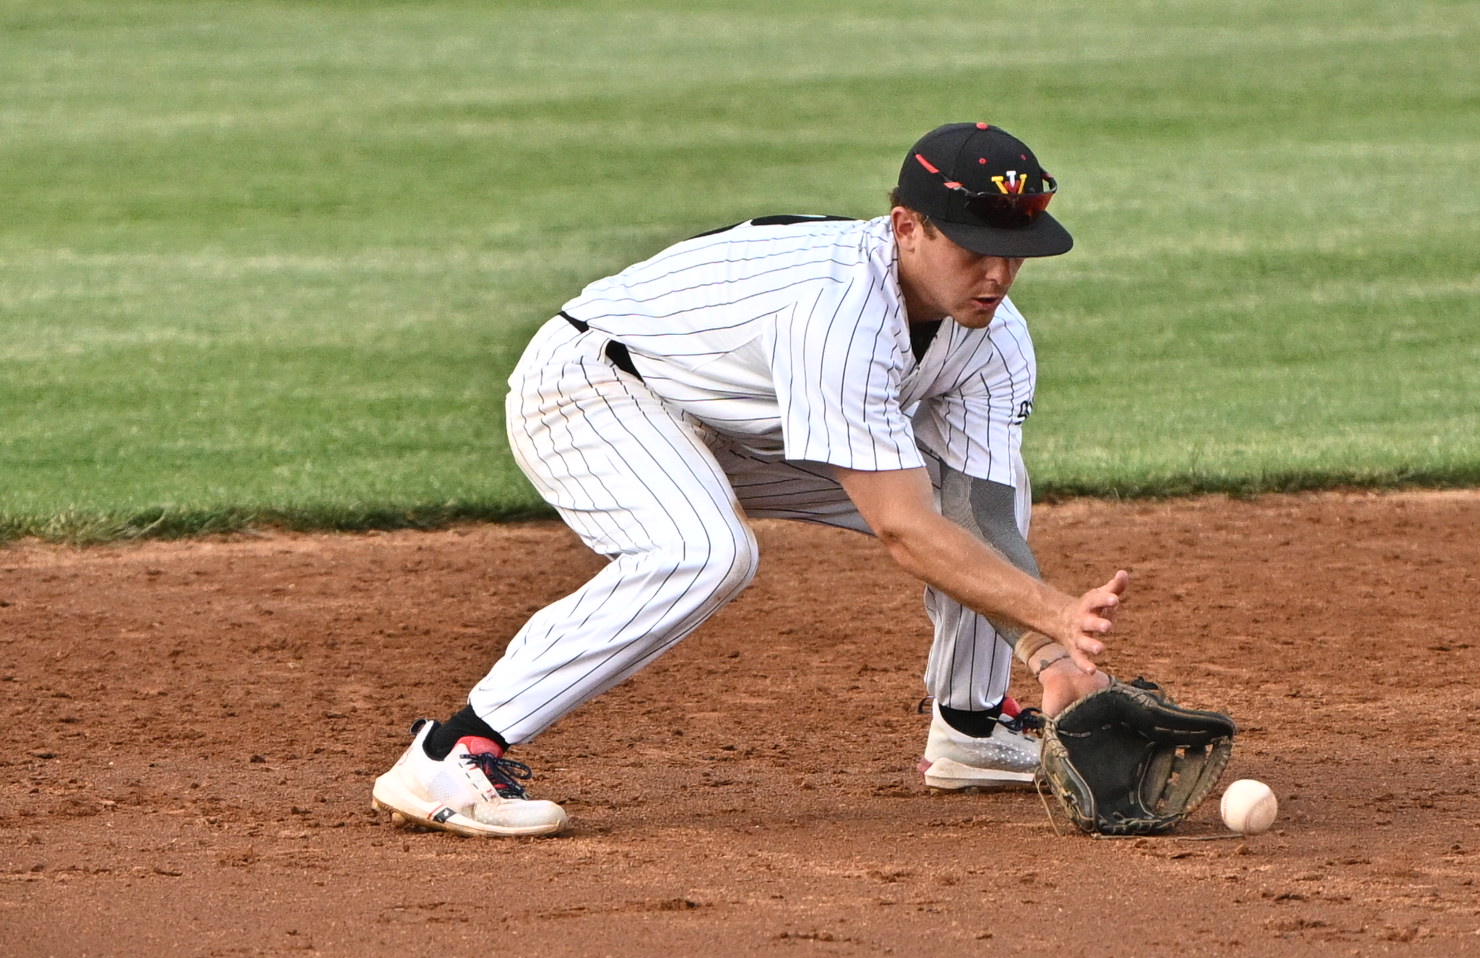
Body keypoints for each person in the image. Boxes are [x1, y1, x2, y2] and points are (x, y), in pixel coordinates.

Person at [372, 122, 1126, 837]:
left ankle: (972, 728)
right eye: (974, 248)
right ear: (906, 228)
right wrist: (1054, 615)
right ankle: (450, 756)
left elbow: (979, 513)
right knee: (703, 552)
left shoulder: (993, 341)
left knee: (987, 490)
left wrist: (1051, 659)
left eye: (1015, 252)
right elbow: (904, 528)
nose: (997, 274)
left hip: (737, 420)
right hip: (594, 387)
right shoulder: (839, 312)